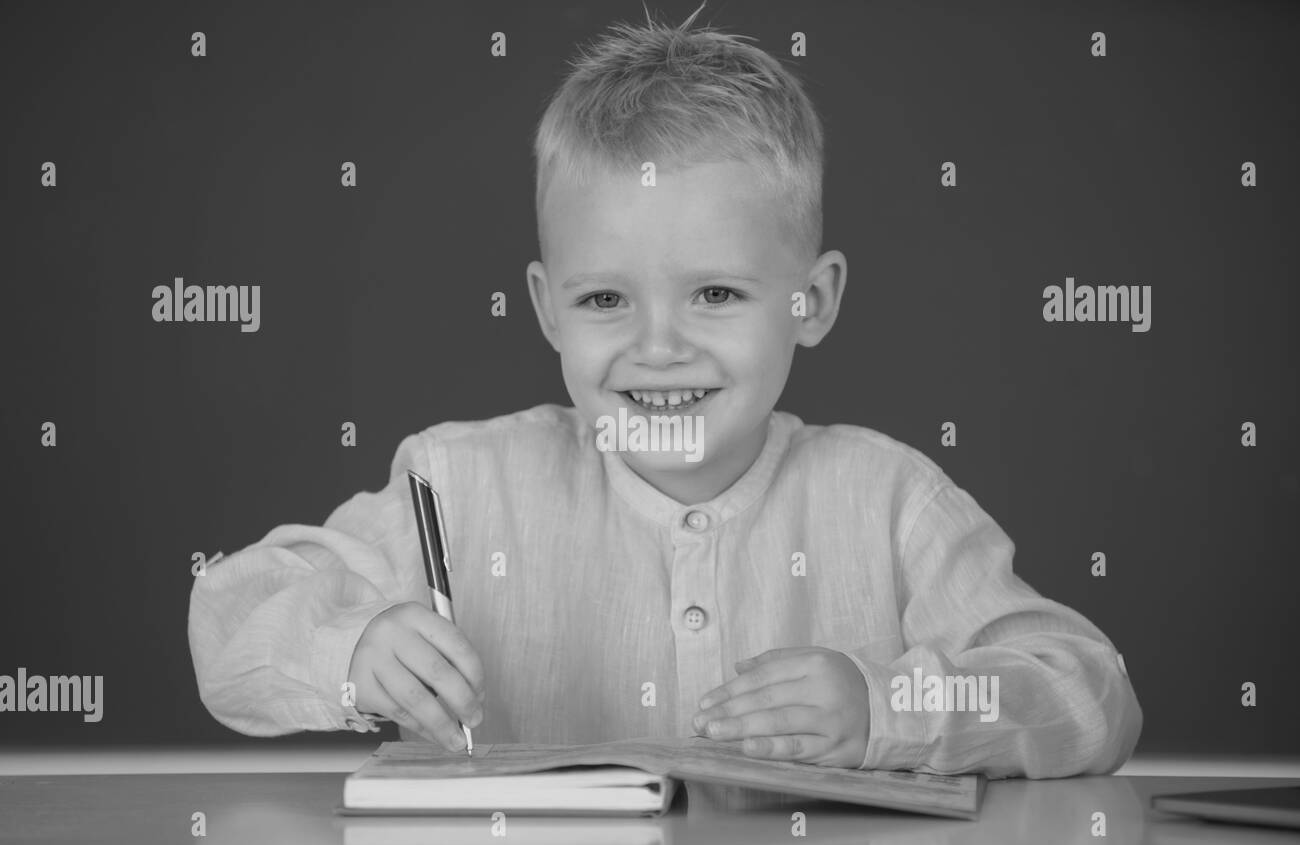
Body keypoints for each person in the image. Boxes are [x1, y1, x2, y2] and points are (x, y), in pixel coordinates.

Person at [188, 6, 1142, 779]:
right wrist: (351, 652)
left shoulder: (891, 502)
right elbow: (228, 618)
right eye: (604, 297)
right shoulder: (457, 482)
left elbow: (1087, 688)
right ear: (547, 309)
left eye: (717, 293)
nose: (658, 346)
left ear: (814, 300)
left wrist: (887, 706)